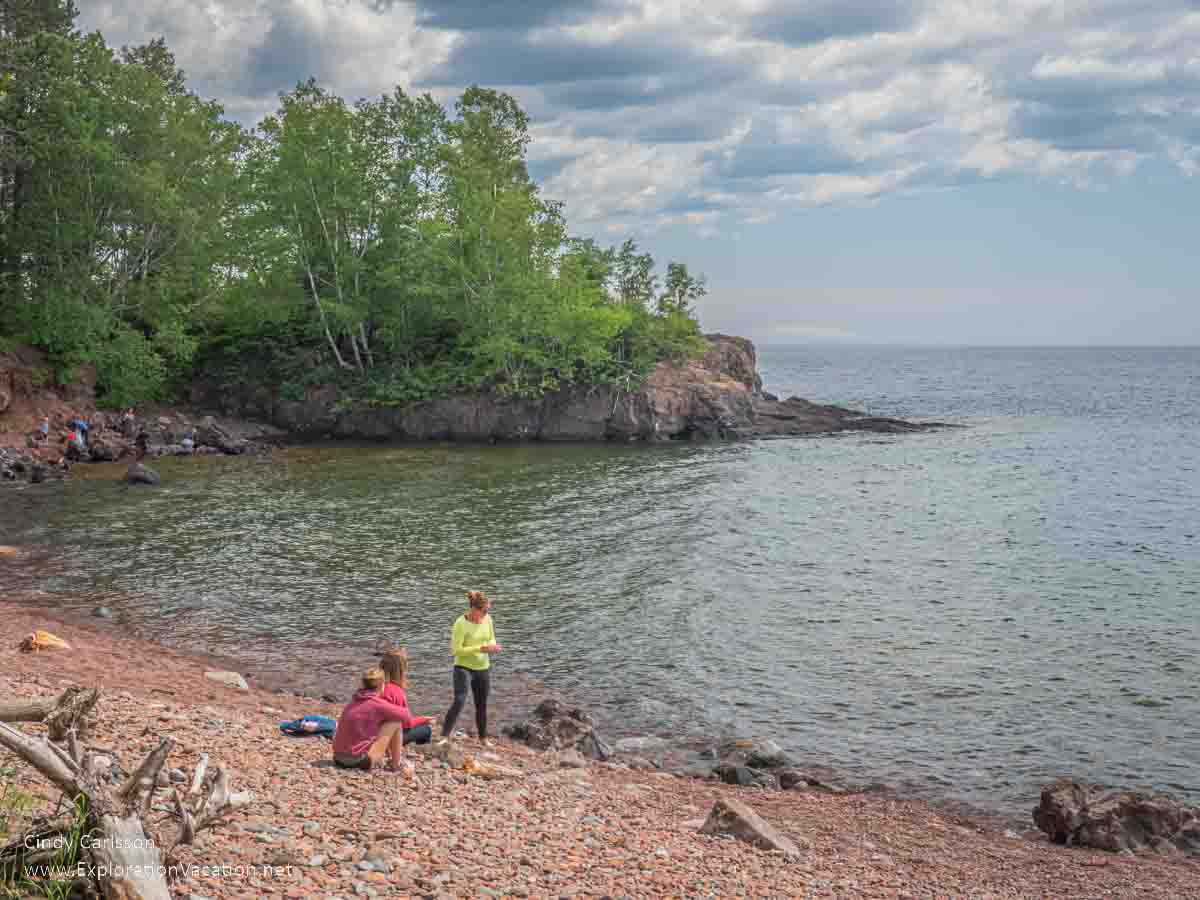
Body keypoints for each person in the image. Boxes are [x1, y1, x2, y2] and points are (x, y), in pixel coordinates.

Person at [441, 590, 501, 744]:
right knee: (460, 700)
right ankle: (444, 736)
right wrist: (480, 648)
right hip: (463, 667)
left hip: (482, 667)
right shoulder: (460, 623)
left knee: (482, 704)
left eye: (487, 611)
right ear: (474, 609)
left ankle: (483, 738)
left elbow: (491, 638)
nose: (486, 614)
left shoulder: (488, 619)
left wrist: (492, 646)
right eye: (484, 611)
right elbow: (456, 650)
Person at [330, 667, 411, 771]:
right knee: (395, 722)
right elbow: (406, 716)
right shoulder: (377, 704)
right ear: (381, 685)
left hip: (337, 758)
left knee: (380, 722)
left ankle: (392, 761)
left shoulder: (353, 701)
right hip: (359, 761)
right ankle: (395, 764)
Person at [378, 648, 435, 746]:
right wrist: (424, 719)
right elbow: (406, 724)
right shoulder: (396, 691)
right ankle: (422, 749)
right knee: (427, 729)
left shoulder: (375, 686)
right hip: (388, 738)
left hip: (373, 734)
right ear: (401, 670)